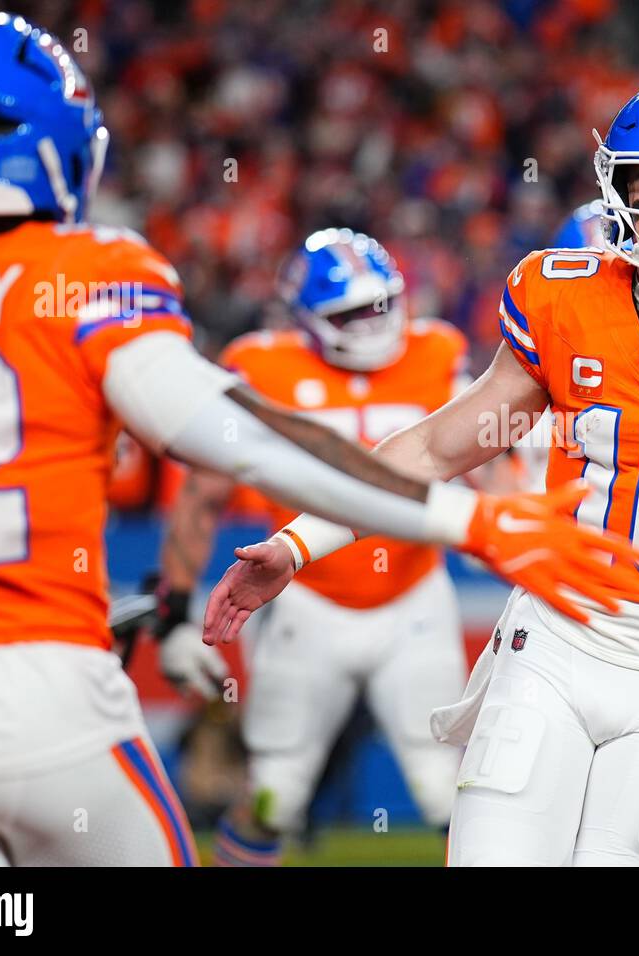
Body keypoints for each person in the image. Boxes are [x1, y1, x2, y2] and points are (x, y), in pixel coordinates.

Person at [0, 12, 633, 866]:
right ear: (62, 151)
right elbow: (240, 440)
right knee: (273, 781)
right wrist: (475, 522)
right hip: (46, 701)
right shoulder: (88, 277)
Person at [205, 77, 639, 866]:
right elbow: (435, 447)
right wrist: (298, 542)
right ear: (615, 188)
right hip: (557, 640)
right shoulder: (563, 299)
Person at [154, 229, 472, 864]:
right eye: (353, 312)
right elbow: (202, 495)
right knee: (276, 791)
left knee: (451, 791)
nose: (373, 323)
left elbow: (491, 465)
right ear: (309, 320)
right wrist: (175, 609)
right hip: (308, 604)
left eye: (382, 304)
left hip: (413, 599)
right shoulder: (264, 366)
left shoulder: (438, 350)